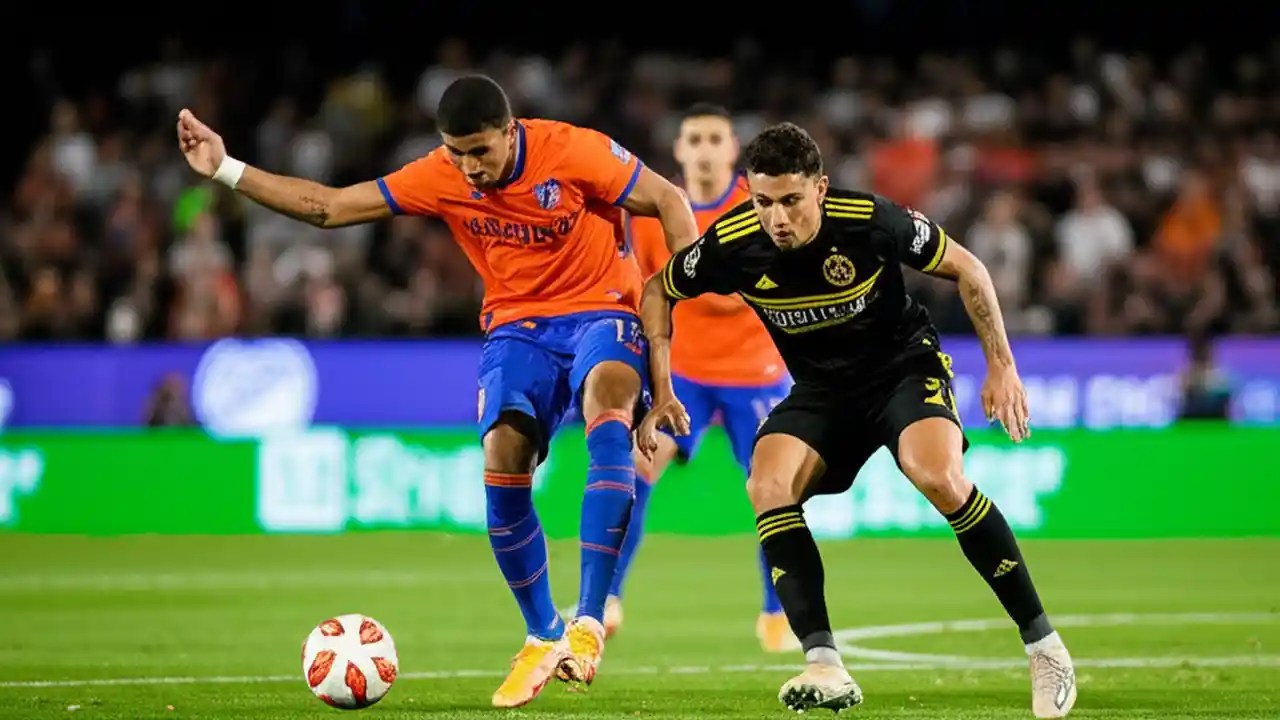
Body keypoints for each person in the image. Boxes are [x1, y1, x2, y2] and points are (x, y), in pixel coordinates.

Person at [176, 75, 699, 708]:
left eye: (480, 152)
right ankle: (541, 634)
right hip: (516, 327)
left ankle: (588, 624)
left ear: (511, 133)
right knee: (502, 457)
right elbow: (329, 207)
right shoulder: (440, 174)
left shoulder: (575, 150)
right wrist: (225, 167)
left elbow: (669, 200)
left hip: (603, 310)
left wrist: (676, 302)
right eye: (456, 153)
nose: (469, 168)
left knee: (609, 408)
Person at [637, 122, 1077, 718]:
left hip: (902, 370)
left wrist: (1002, 367)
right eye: (764, 202)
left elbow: (970, 269)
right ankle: (823, 664)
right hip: (823, 392)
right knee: (766, 484)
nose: (777, 219)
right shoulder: (732, 244)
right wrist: (660, 386)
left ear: (819, 188)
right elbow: (658, 291)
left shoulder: (869, 219)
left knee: (938, 475)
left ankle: (1044, 646)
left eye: (791, 200)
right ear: (748, 193)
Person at [567, 103, 794, 651]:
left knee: (775, 491)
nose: (706, 149)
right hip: (684, 371)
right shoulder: (652, 210)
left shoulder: (758, 206)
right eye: (696, 138)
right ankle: (605, 602)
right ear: (680, 149)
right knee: (638, 465)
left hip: (756, 371)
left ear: (732, 148)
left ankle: (777, 613)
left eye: (716, 138)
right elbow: (648, 288)